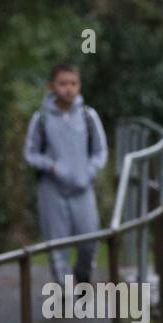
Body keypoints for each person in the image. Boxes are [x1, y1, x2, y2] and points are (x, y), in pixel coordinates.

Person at [23, 63, 108, 284]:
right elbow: (30, 153)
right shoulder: (41, 118)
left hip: (82, 188)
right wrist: (51, 166)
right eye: (62, 84)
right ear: (52, 86)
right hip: (53, 190)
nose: (68, 89)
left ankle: (83, 277)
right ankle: (63, 288)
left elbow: (100, 151)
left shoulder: (89, 117)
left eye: (73, 83)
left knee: (90, 241)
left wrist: (89, 171)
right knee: (57, 245)